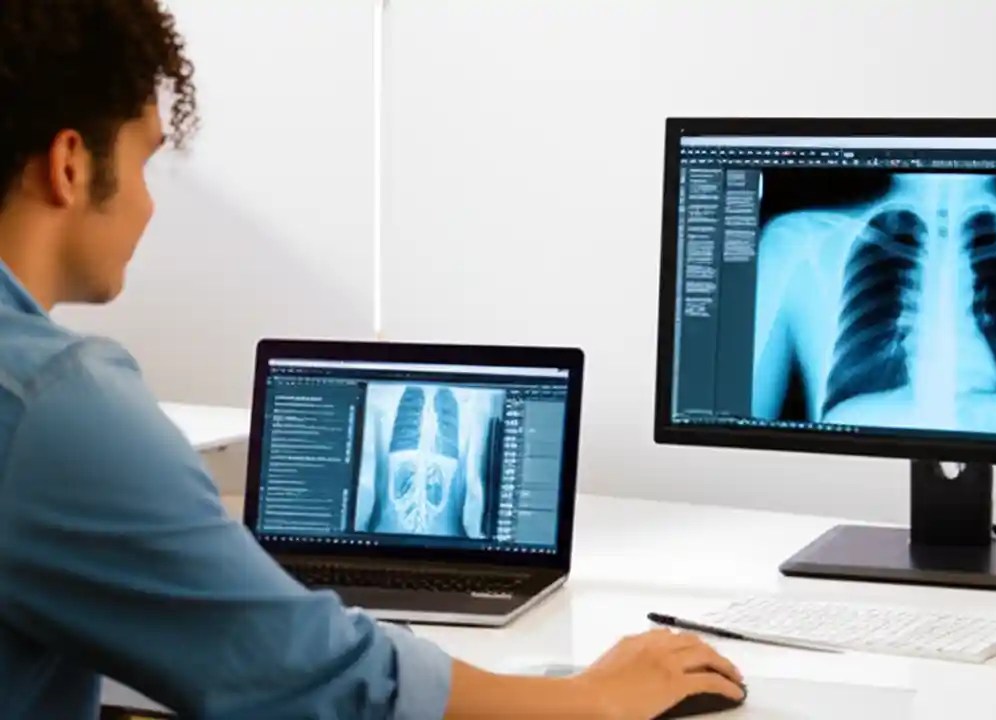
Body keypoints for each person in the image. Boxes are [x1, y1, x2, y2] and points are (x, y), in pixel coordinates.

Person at [0, 2, 744, 719]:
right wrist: (593, 699)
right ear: (69, 164)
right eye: (144, 163)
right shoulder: (52, 403)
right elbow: (306, 673)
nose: (149, 206)